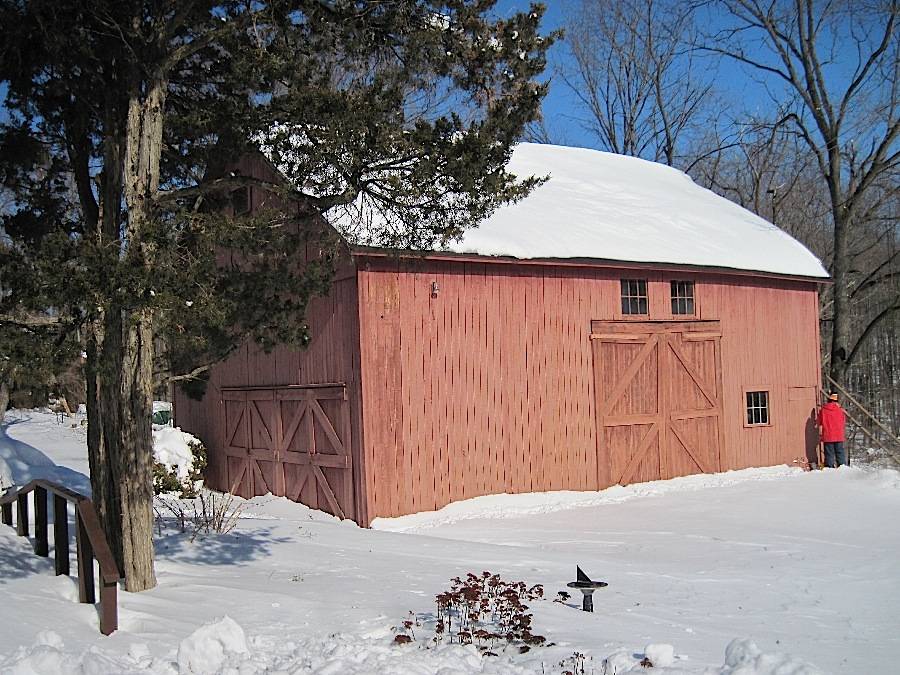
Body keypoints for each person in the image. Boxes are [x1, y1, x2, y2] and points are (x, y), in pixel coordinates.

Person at [816, 392, 848, 468]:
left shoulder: (823, 410)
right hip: (839, 435)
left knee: (829, 453)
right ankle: (842, 467)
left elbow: (818, 422)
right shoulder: (840, 410)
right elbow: (843, 421)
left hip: (828, 435)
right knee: (840, 452)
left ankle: (830, 468)